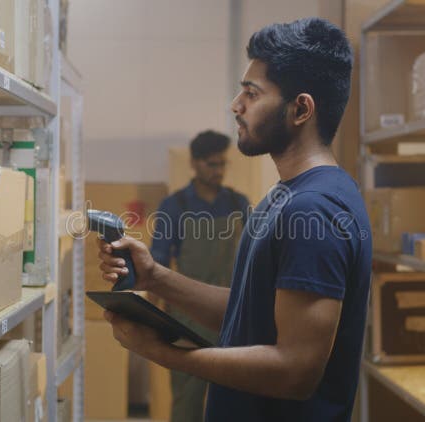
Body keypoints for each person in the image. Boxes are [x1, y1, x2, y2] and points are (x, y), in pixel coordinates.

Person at [96, 17, 371, 421]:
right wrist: (155, 276)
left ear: (300, 109)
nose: (235, 106)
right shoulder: (283, 198)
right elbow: (249, 312)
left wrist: (165, 354)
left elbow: (296, 371)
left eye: (251, 93)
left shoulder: (315, 209)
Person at [150, 130, 250, 422]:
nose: (218, 171)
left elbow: (254, 258)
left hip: (231, 313)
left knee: (234, 399)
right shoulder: (175, 206)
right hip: (186, 317)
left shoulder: (238, 204)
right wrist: (147, 316)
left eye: (222, 164)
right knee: (187, 399)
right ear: (194, 163)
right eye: (211, 164)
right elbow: (157, 264)